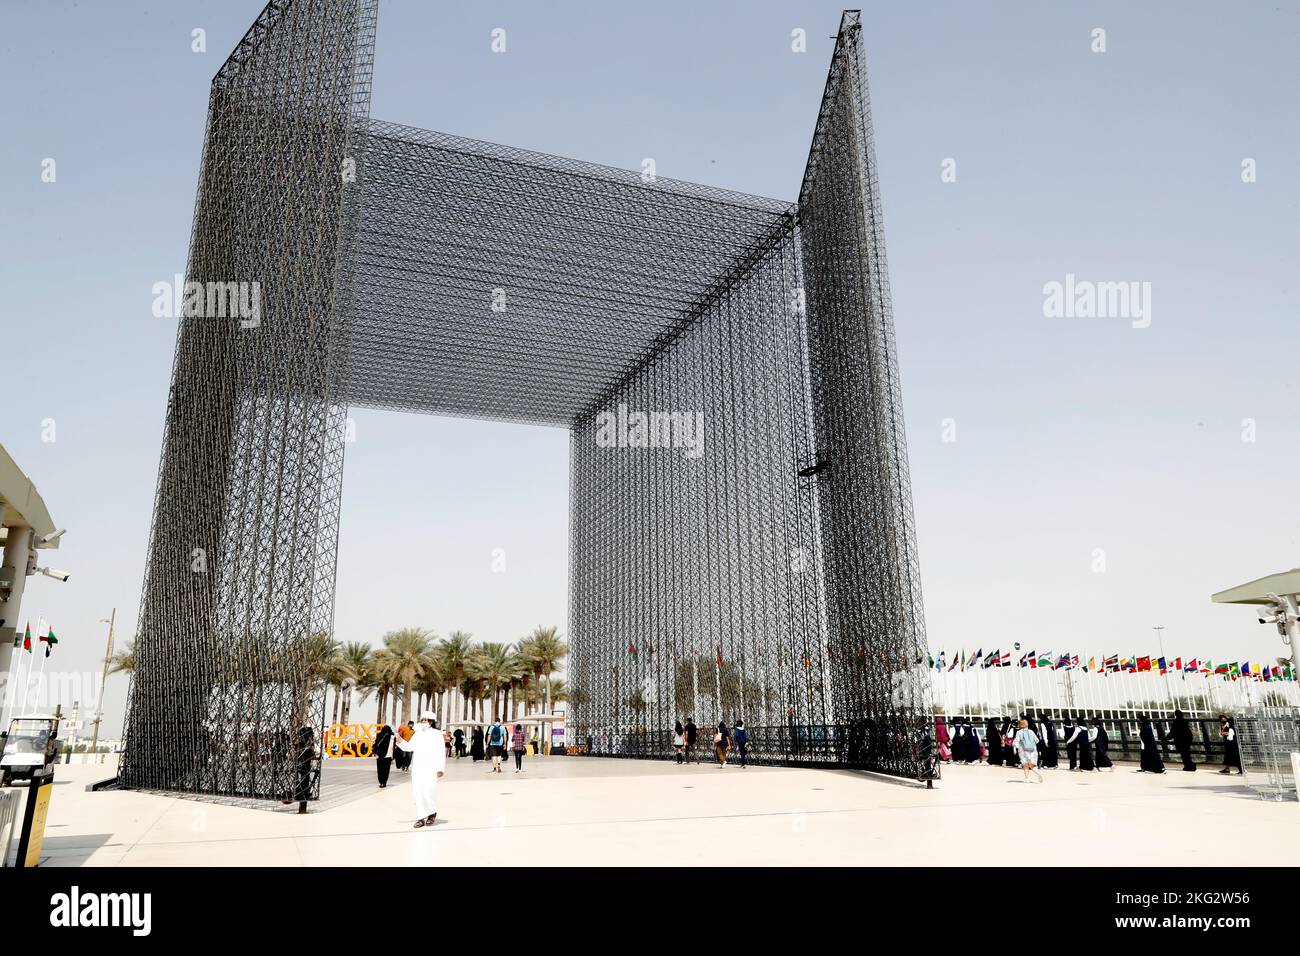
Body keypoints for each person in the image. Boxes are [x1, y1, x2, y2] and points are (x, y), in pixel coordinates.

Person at [392, 711, 447, 828]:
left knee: (428, 791)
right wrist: (400, 742)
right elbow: (410, 747)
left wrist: (440, 768)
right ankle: (420, 817)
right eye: (422, 719)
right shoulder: (417, 734)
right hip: (417, 767)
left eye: (426, 720)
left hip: (431, 767)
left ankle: (432, 813)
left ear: (431, 721)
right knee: (418, 792)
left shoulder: (437, 734)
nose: (423, 721)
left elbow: (441, 752)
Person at [1012, 719, 1043, 783]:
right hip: (1033, 750)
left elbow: (1016, 742)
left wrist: (1015, 748)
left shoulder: (1019, 732)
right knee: (1032, 765)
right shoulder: (1031, 731)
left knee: (1025, 765)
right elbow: (1037, 740)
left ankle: (1027, 779)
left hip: (1023, 751)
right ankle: (1038, 773)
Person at [373, 722, 395, 788]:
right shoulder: (392, 736)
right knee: (386, 770)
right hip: (388, 756)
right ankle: (384, 782)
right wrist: (392, 756)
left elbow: (376, 744)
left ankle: (381, 782)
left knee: (380, 770)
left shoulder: (379, 735)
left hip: (379, 755)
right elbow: (393, 747)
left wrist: (375, 752)